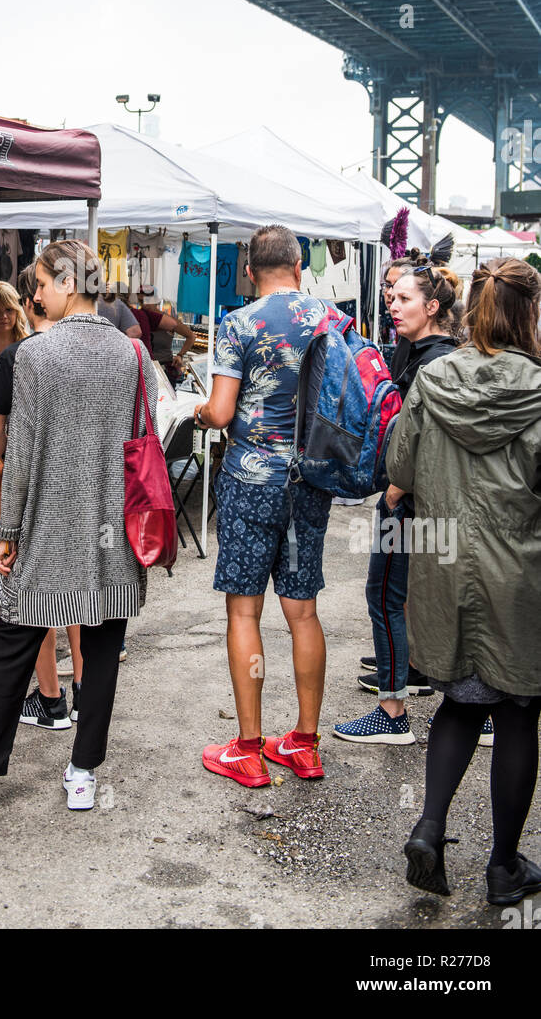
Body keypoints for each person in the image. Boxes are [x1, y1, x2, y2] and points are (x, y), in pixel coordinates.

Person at [0, 238, 159, 817]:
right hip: (113, 530)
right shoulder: (134, 356)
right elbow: (144, 443)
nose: (36, 296)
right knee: (101, 647)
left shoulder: (35, 356)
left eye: (43, 285)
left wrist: (7, 530)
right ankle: (82, 774)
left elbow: (19, 456)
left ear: (68, 283)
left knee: (12, 643)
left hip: (48, 525)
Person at [387, 257, 541, 905]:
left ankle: (428, 827)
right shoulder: (538, 387)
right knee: (516, 714)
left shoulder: (434, 376)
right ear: (528, 311)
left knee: (458, 702)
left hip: (443, 568)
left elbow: (399, 464)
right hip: (517, 575)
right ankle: (502, 867)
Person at [194, 224, 335, 790]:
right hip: (309, 481)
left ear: (248, 271)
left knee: (245, 613)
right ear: (300, 267)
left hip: (251, 480)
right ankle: (304, 743)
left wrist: (201, 413)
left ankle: (248, 749)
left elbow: (223, 412)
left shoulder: (238, 324)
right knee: (302, 612)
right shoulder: (327, 320)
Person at [334, 266, 458, 746]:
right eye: (390, 295)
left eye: (403, 297)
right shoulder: (420, 351)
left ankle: (392, 712)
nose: (392, 303)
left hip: (410, 502)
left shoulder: (436, 361)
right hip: (422, 501)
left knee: (384, 595)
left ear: (432, 308)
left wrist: (394, 492)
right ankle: (477, 709)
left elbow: (427, 439)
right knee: (416, 598)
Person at [0, 263, 84, 731]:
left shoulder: (22, 357)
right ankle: (84, 693)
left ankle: (50, 700)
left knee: (34, 598)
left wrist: (9, 462)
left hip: (30, 495)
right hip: (78, 491)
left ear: (29, 303)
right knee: (80, 599)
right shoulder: (82, 354)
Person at [131, 289, 196, 383]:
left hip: (164, 369)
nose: (145, 305)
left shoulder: (168, 321)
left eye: (148, 301)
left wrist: (180, 355)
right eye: (141, 301)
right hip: (143, 368)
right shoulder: (138, 318)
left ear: (156, 300)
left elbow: (191, 336)